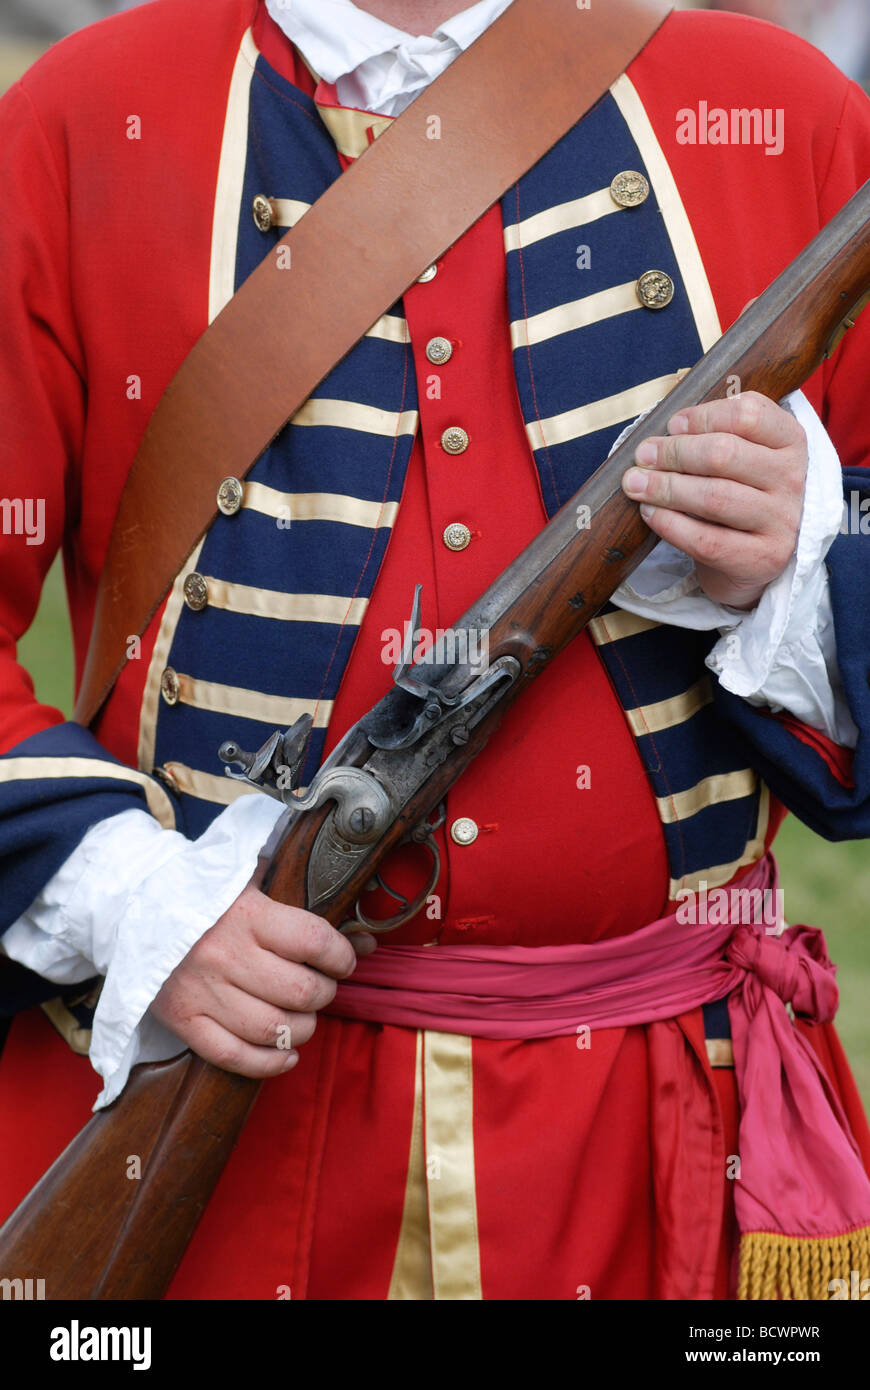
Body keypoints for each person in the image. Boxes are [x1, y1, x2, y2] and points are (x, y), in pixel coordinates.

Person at [1, 0, 869, 1301]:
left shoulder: (788, 116)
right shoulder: (81, 120)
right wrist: (128, 895)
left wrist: (803, 555)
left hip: (657, 1135)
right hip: (203, 1105)